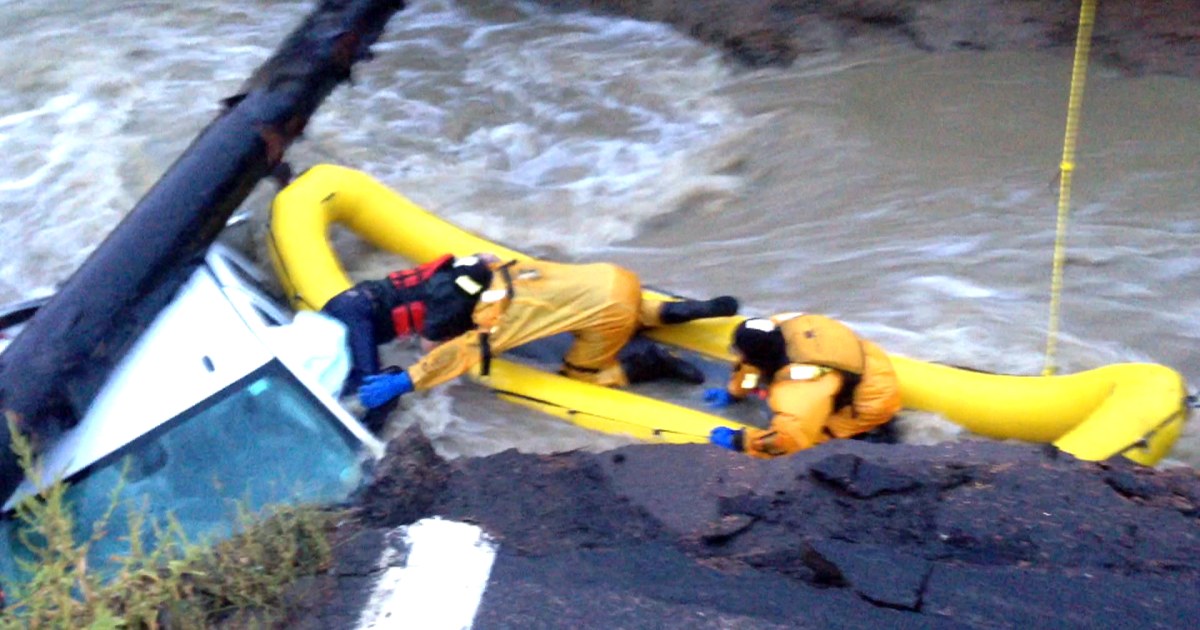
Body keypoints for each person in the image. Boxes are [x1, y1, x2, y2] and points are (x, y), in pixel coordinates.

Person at [356, 257, 740, 408]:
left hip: (609, 313)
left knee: (579, 374)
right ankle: (674, 311)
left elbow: (458, 355)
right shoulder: (505, 267)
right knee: (629, 308)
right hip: (616, 279)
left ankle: (648, 364)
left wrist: (406, 380)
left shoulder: (496, 322)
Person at [704, 313, 901, 458]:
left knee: (811, 445)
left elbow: (788, 441)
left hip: (871, 403)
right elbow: (750, 368)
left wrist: (741, 441)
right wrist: (735, 392)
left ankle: (876, 434)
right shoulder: (780, 325)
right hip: (865, 365)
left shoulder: (800, 383)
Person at [320, 253, 494, 399]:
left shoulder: (450, 268)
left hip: (350, 301)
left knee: (344, 373)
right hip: (358, 316)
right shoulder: (450, 303)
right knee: (372, 387)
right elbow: (429, 345)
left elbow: (484, 256)